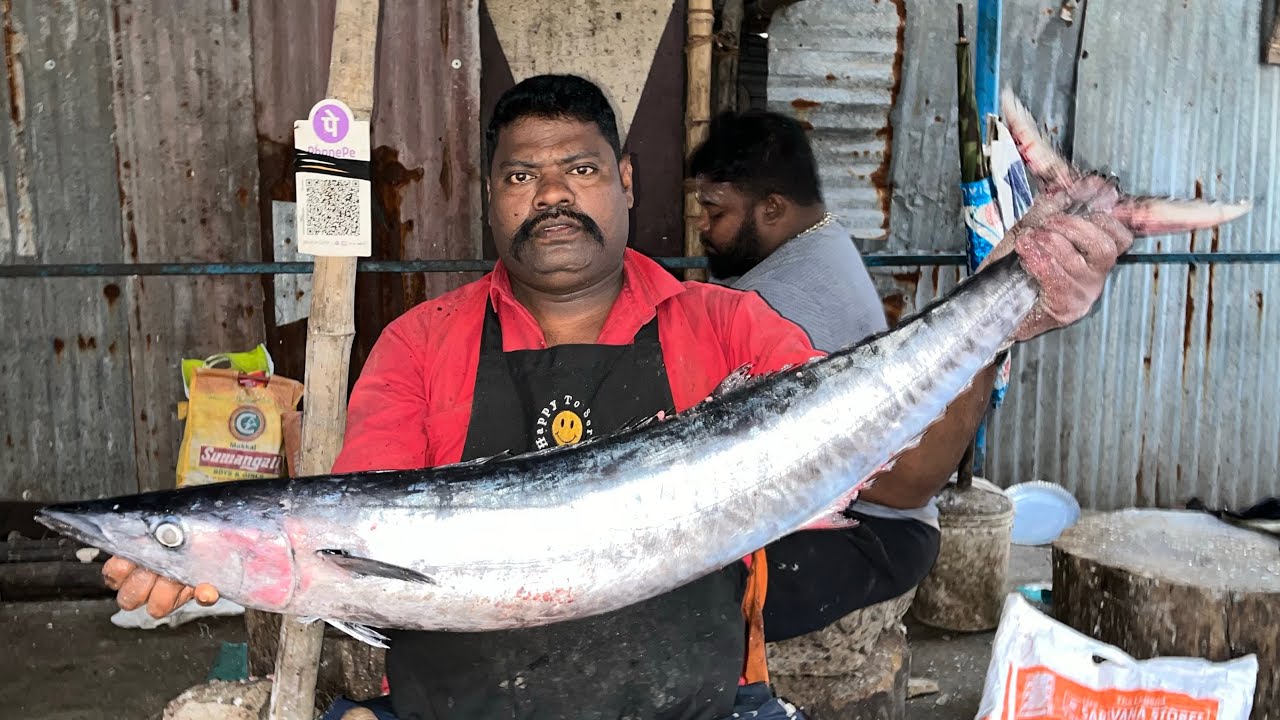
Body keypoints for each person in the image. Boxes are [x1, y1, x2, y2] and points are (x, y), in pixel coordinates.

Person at [100, 73, 1133, 720]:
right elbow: (358, 529)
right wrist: (198, 562)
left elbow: (901, 482)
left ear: (625, 186)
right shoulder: (419, 344)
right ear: (491, 197)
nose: (550, 193)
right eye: (520, 175)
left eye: (579, 167)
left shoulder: (723, 327)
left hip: (698, 704)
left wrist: (1010, 314)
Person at [688, 110, 950, 640]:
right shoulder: (824, 243)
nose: (702, 226)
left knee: (693, 601)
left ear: (772, 208)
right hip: (878, 514)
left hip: (874, 530)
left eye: (714, 211)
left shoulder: (767, 299)